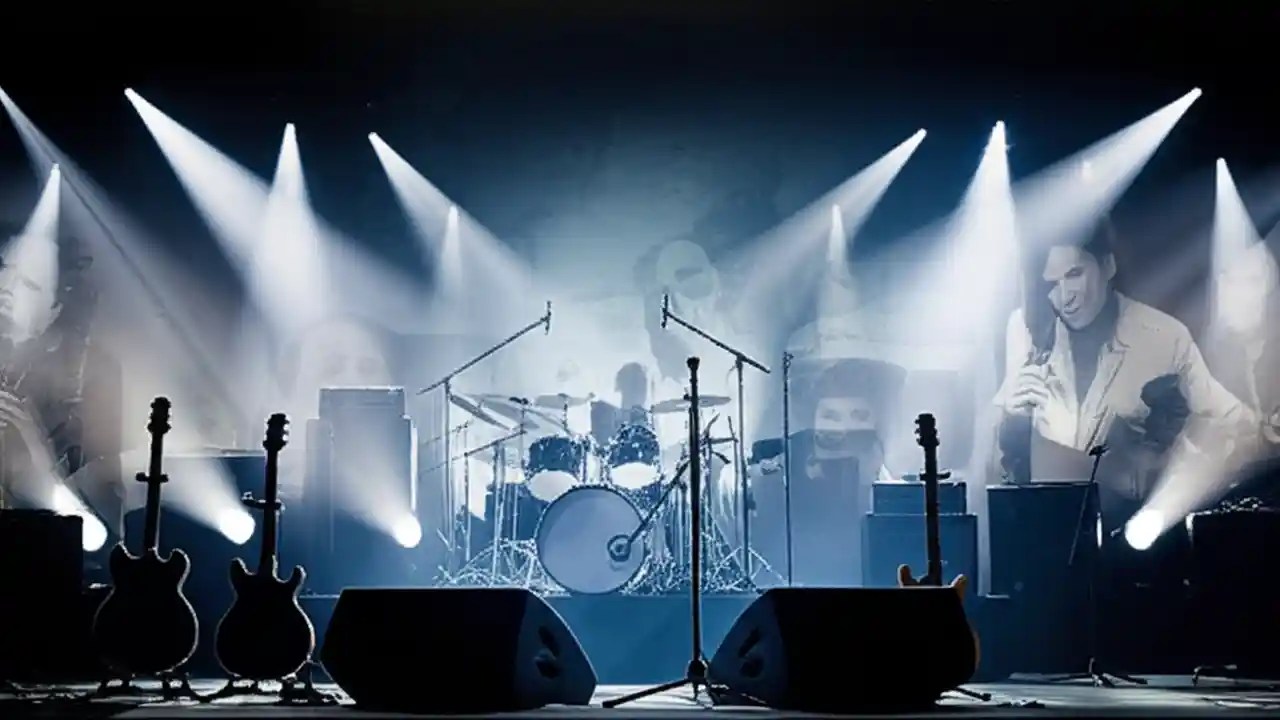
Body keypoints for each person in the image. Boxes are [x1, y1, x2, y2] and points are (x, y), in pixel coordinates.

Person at [994, 218, 1253, 523]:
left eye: (1074, 275)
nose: (1064, 296)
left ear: (1108, 266)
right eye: (1052, 283)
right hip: (1046, 523)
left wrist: (1174, 464)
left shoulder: (1163, 336)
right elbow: (997, 456)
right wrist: (1010, 418)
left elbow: (1231, 421)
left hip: (1132, 527)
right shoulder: (1024, 328)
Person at [721, 357, 905, 587]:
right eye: (831, 416)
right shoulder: (773, 479)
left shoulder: (889, 492)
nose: (842, 428)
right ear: (813, 420)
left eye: (859, 416)